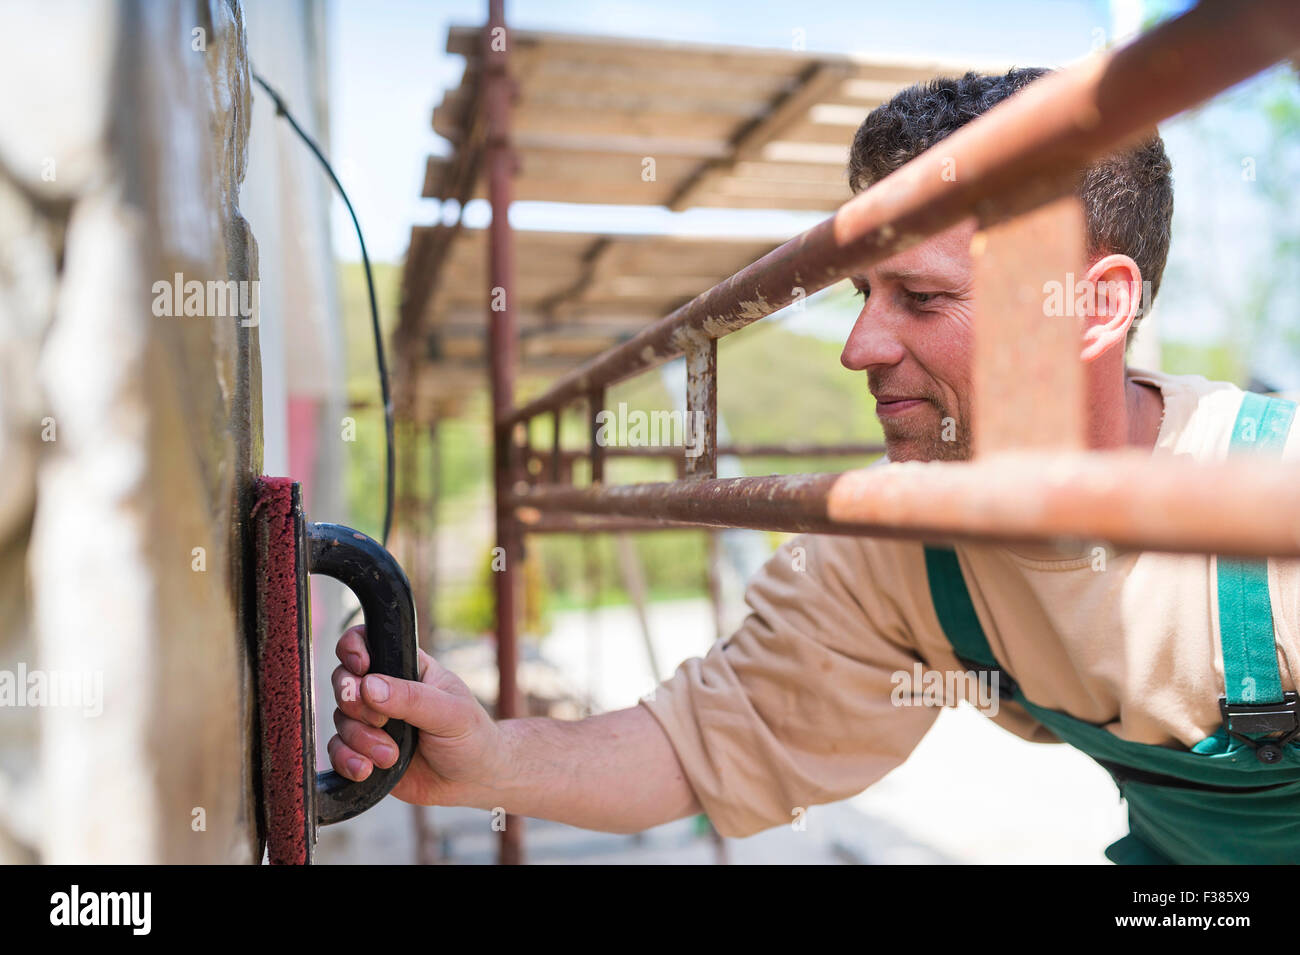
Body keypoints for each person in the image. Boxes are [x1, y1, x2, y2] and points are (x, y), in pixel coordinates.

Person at [326, 69, 1300, 863]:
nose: (859, 346)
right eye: (862, 294)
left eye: (919, 296)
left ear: (1092, 309)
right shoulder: (898, 542)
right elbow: (702, 740)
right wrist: (489, 758)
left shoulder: (1271, 512)